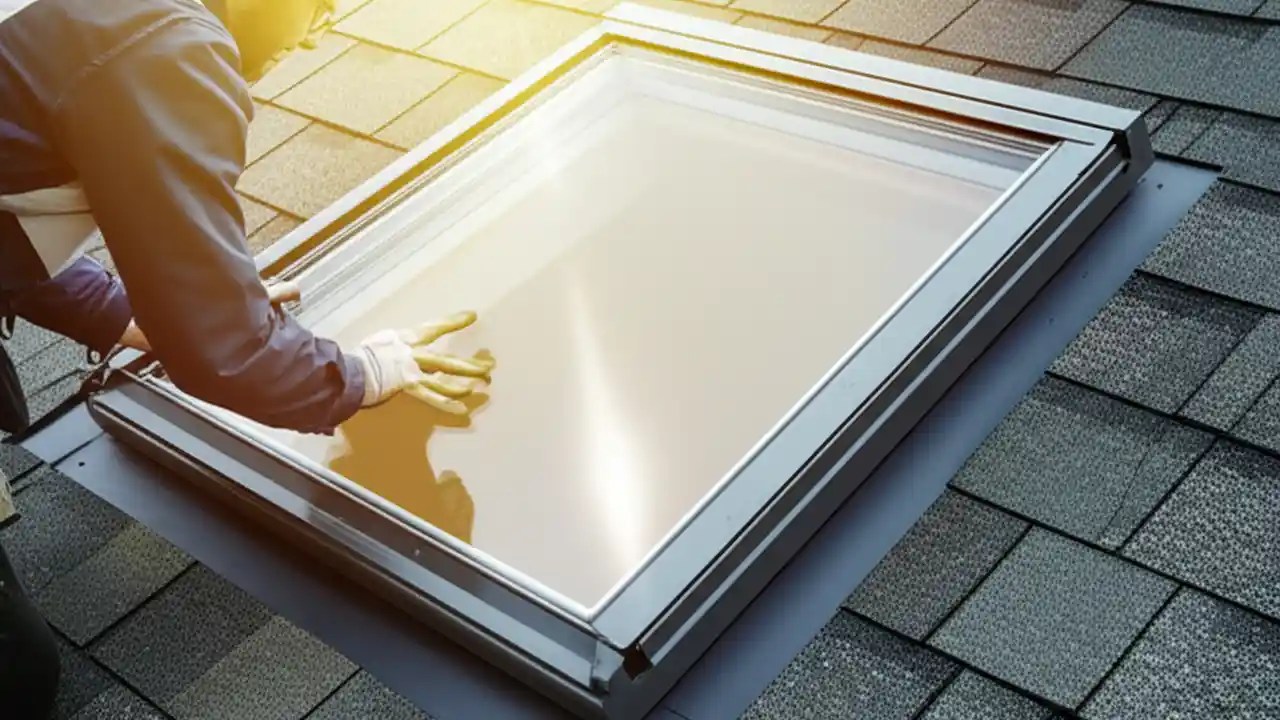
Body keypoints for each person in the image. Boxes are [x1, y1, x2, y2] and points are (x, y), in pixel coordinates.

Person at [0, 0, 493, 715]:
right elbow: (224, 349)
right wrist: (364, 373)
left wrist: (131, 310)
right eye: (321, 5)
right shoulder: (159, 45)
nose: (322, 29)